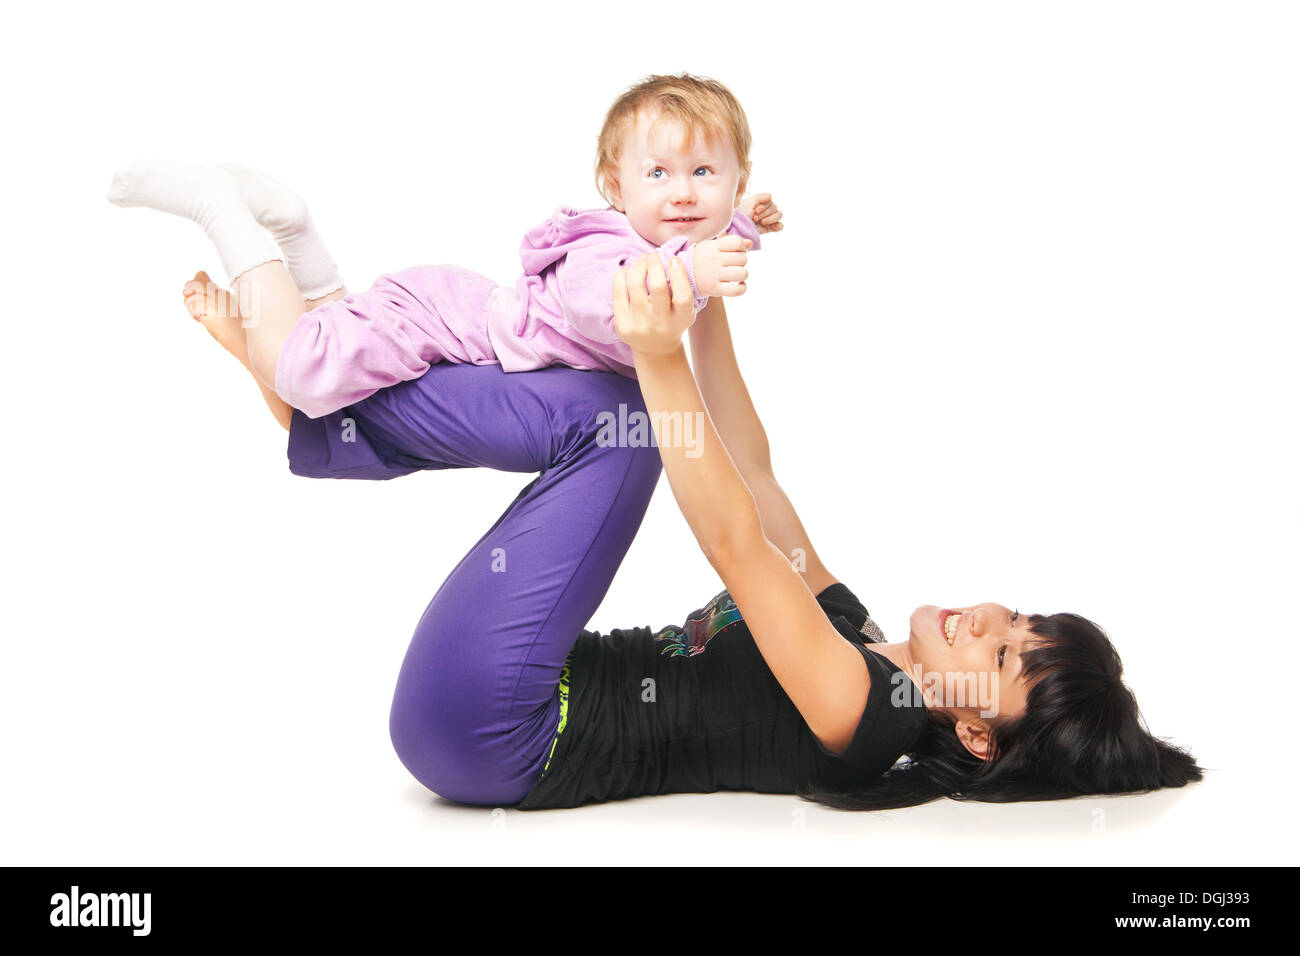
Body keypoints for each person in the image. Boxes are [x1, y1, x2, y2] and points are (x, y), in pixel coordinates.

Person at [159, 240, 1203, 810]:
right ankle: (316, 400)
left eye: (1005, 649)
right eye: (1014, 612)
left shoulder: (872, 713)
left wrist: (655, 353)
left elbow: (736, 548)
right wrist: (697, 285)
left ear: (975, 728)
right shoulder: (845, 620)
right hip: (495, 701)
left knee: (622, 425)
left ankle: (313, 382)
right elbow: (749, 467)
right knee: (600, 408)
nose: (986, 614)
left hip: (501, 733)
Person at [107, 73, 782, 419]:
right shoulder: (611, 249)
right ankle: (218, 209)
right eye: (658, 174)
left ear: (736, 181)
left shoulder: (685, 236)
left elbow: (702, 236)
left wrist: (745, 222)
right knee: (301, 373)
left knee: (333, 357)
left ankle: (292, 225)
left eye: (705, 174)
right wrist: (689, 269)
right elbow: (596, 306)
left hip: (453, 309)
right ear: (616, 185)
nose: (684, 194)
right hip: (449, 319)